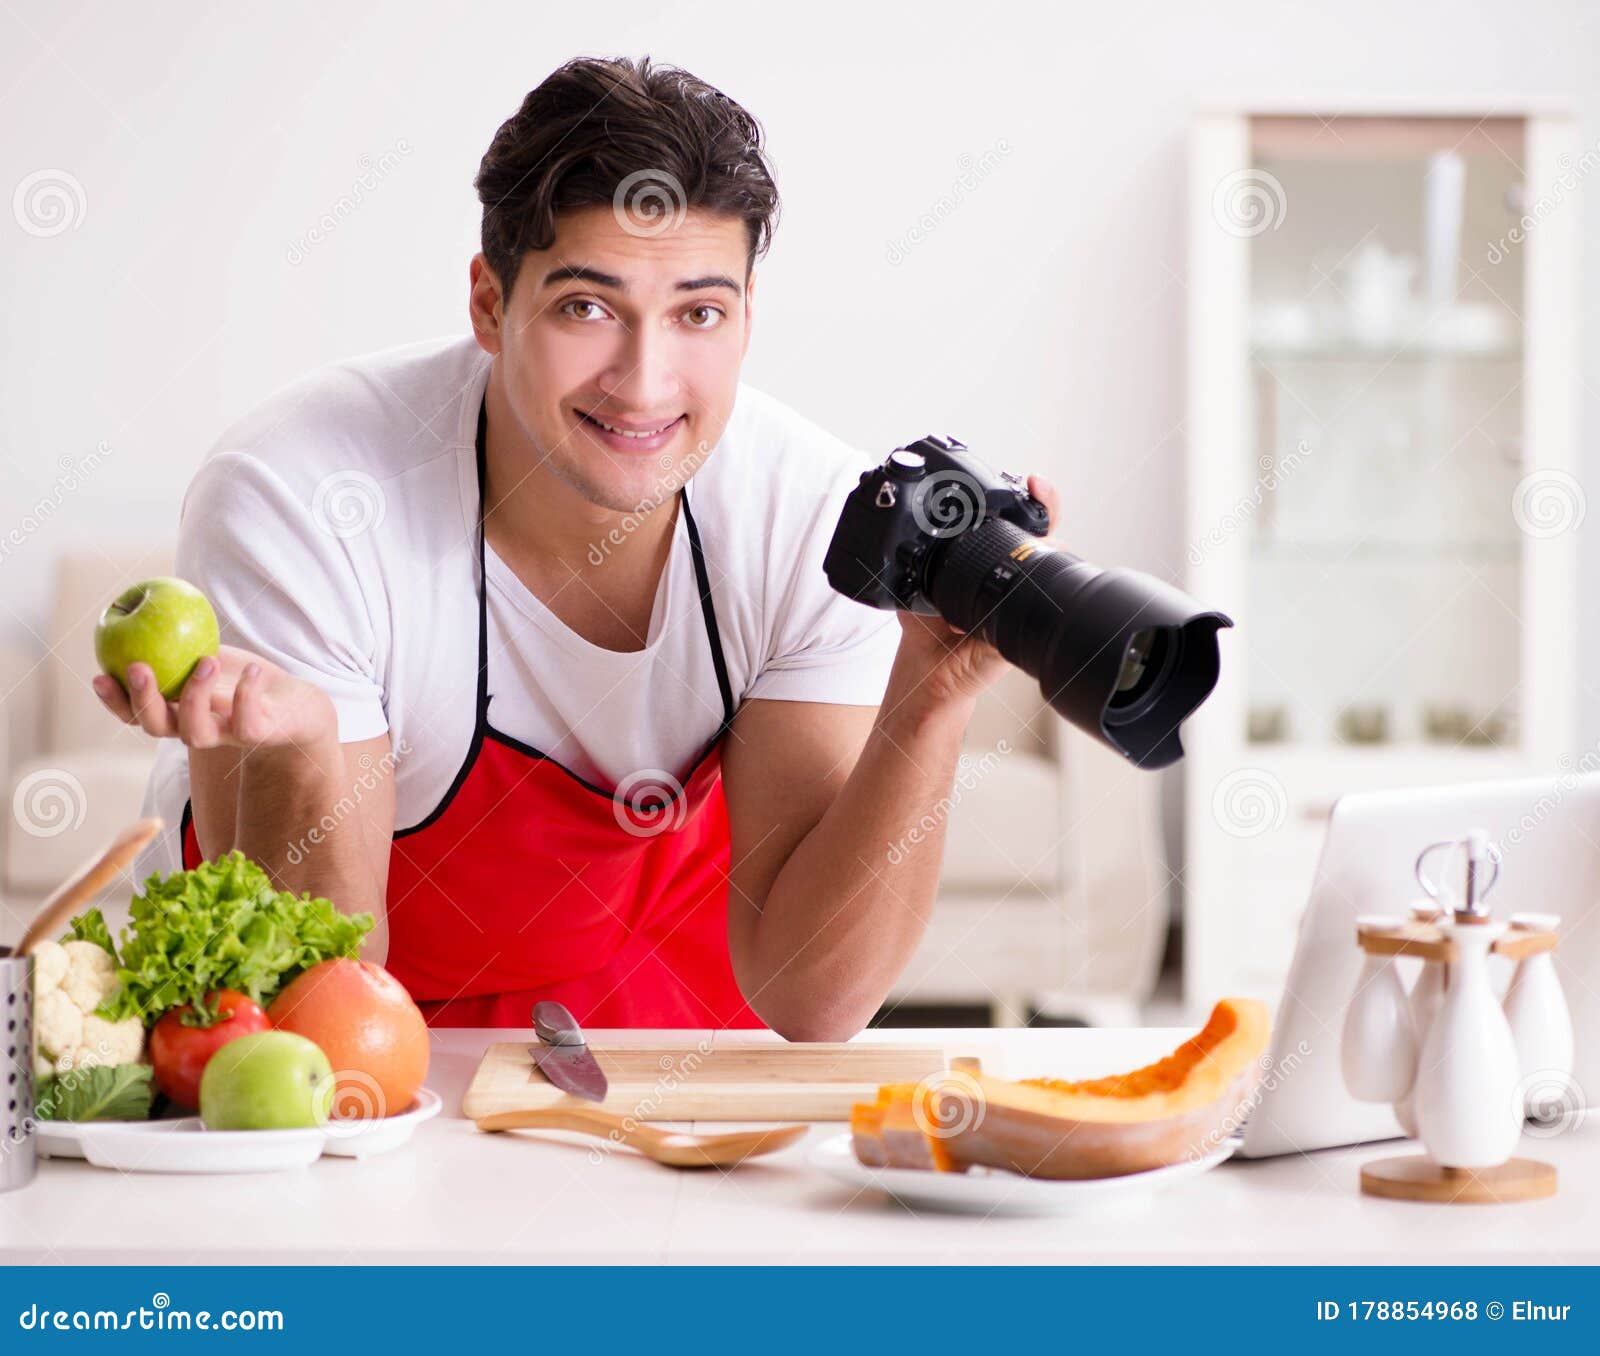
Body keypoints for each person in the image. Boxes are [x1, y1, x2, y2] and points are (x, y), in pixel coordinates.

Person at [95, 56, 1057, 1037]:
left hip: (638, 1009)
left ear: (746, 320)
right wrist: (302, 745)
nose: (643, 383)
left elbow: (814, 999)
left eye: (698, 313)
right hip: (332, 1023)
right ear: (487, 304)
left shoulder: (811, 515)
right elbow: (320, 1009)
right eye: (585, 308)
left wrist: (929, 693)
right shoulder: (306, 494)